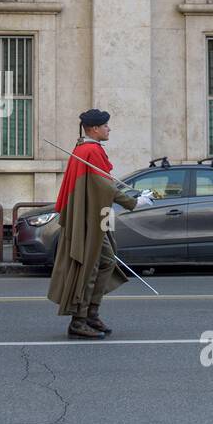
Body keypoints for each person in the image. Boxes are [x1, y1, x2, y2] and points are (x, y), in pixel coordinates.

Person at [46, 109, 155, 338]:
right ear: (94, 129)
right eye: (106, 125)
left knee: (105, 262)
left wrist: (132, 197)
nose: (109, 129)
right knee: (91, 267)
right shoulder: (90, 150)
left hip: (96, 217)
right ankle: (79, 320)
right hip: (90, 221)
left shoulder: (85, 149)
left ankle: (91, 313)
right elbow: (105, 187)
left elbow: (103, 185)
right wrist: (134, 202)